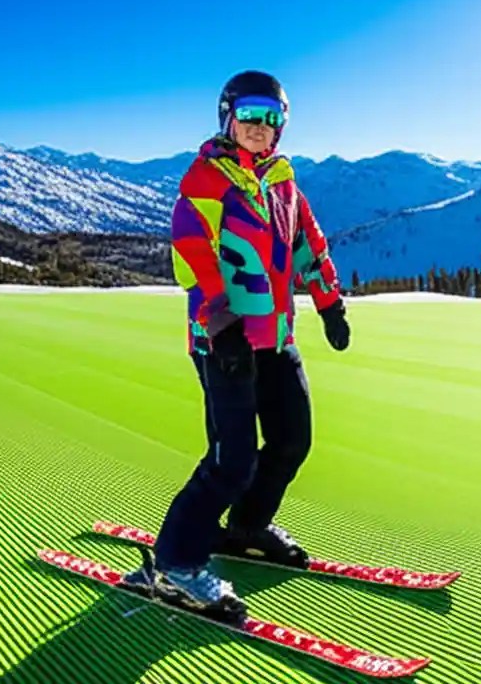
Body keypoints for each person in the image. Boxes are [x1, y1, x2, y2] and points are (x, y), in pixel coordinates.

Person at [134, 70, 350, 616]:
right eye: (251, 114)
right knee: (232, 461)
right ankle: (176, 565)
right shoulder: (205, 180)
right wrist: (223, 324)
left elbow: (308, 246)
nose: (260, 126)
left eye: (272, 117)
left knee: (290, 440)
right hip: (224, 342)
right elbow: (191, 254)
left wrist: (330, 304)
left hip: (276, 337)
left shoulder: (283, 182)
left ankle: (248, 527)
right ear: (228, 116)